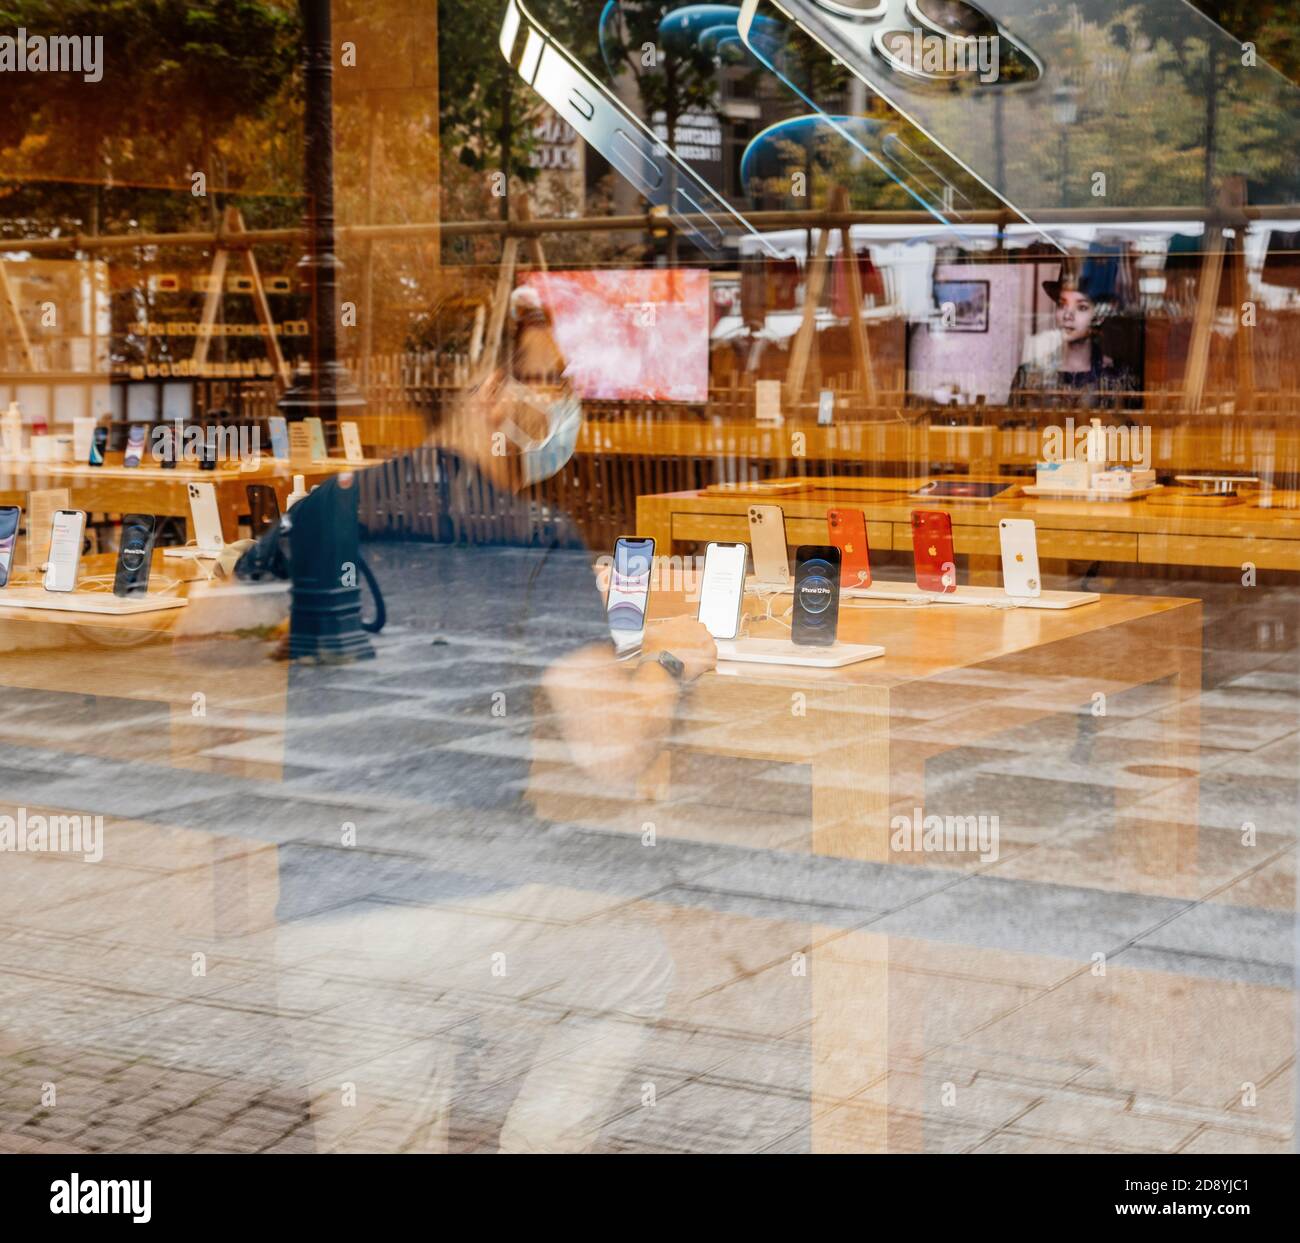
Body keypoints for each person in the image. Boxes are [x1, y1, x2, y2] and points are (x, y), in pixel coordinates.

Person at [274, 286, 718, 1152]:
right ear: (489, 394)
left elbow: (194, 645)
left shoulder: (324, 514)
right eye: (547, 382)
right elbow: (613, 755)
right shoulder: (526, 537)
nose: (563, 403)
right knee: (632, 965)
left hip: (318, 931)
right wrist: (669, 665)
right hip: (463, 913)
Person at [1011, 265, 1138, 410]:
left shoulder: (1119, 378)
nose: (1067, 315)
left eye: (1082, 307)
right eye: (1062, 305)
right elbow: (1011, 430)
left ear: (1099, 316)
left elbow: (1136, 429)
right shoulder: (1028, 376)